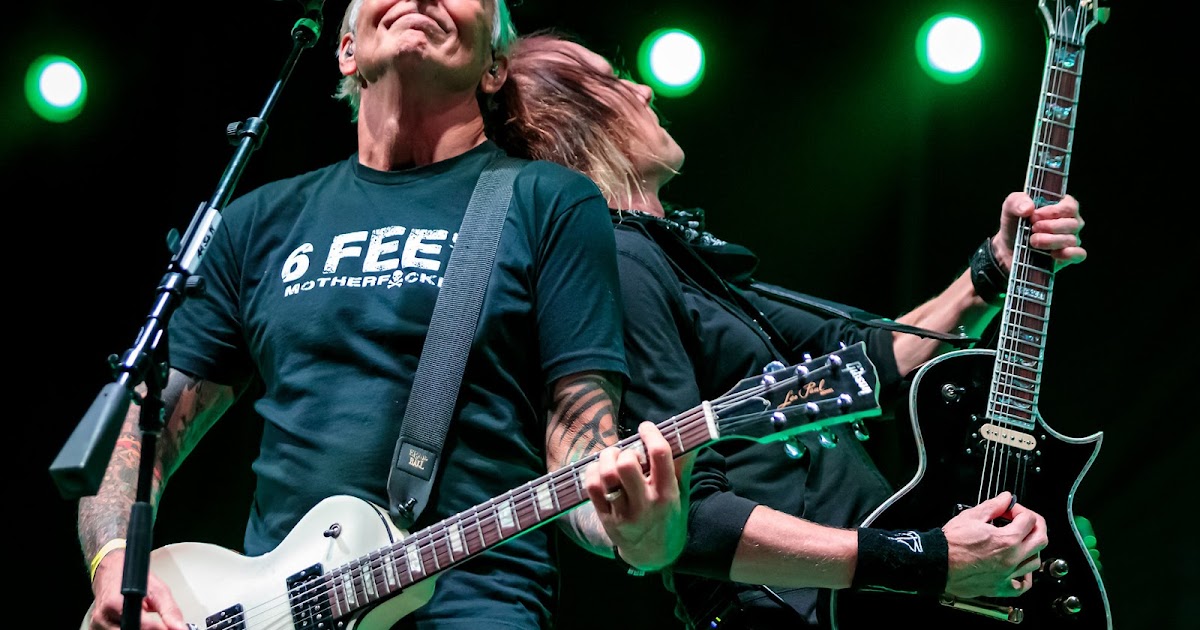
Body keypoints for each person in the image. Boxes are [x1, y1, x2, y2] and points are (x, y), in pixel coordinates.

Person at [77, 4, 687, 630]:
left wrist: (638, 531)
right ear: (345, 50)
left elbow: (580, 438)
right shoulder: (260, 221)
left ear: (495, 66)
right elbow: (139, 424)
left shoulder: (548, 202)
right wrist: (116, 564)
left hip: (476, 608)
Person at [485, 31, 1088, 629]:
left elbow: (867, 361)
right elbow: (685, 519)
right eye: (613, 81)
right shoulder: (616, 261)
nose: (643, 89)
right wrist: (925, 559)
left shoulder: (675, 262)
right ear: (565, 122)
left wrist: (993, 269)